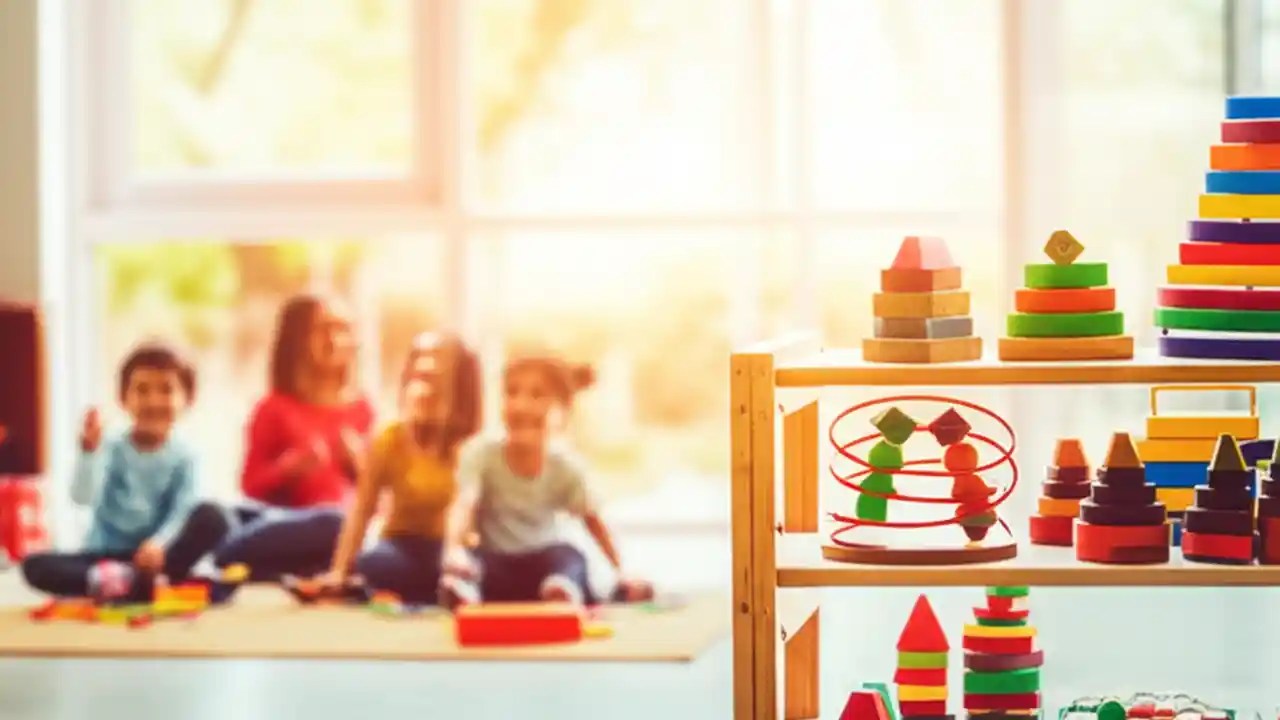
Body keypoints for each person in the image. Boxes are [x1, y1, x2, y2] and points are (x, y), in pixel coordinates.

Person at [438, 354, 653, 608]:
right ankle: (466, 594)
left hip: (544, 565)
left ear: (561, 412)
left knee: (570, 556)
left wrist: (621, 571)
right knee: (473, 561)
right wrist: (453, 549)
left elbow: (594, 521)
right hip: (495, 564)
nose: (520, 405)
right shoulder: (480, 453)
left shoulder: (566, 466)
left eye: (537, 396)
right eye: (511, 393)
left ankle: (561, 590)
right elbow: (464, 503)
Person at [22, 343, 228, 600]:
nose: (153, 401)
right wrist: (89, 453)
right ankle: (130, 582)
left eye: (166, 390)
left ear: (188, 399)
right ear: (123, 398)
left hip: (157, 556)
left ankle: (141, 581)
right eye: (142, 390)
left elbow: (181, 511)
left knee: (217, 517)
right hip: (105, 557)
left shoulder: (186, 457)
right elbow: (82, 497)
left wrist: (158, 545)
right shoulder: (110, 446)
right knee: (34, 566)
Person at [307, 332, 482, 604]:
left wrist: (456, 553)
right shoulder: (390, 437)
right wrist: (339, 571)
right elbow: (362, 509)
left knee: (479, 568)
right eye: (420, 373)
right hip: (402, 544)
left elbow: (471, 510)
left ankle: (448, 587)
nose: (425, 374)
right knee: (373, 564)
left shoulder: (475, 446)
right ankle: (436, 590)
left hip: (453, 550)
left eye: (436, 377)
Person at [213, 293, 374, 581]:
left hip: (343, 534)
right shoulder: (272, 408)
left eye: (344, 329)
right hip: (280, 523)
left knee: (343, 526)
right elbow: (250, 487)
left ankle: (274, 569)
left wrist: (360, 467)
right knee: (331, 521)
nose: (335, 340)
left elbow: (380, 500)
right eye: (324, 329)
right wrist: (288, 469)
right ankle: (228, 554)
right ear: (297, 339)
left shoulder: (363, 410)